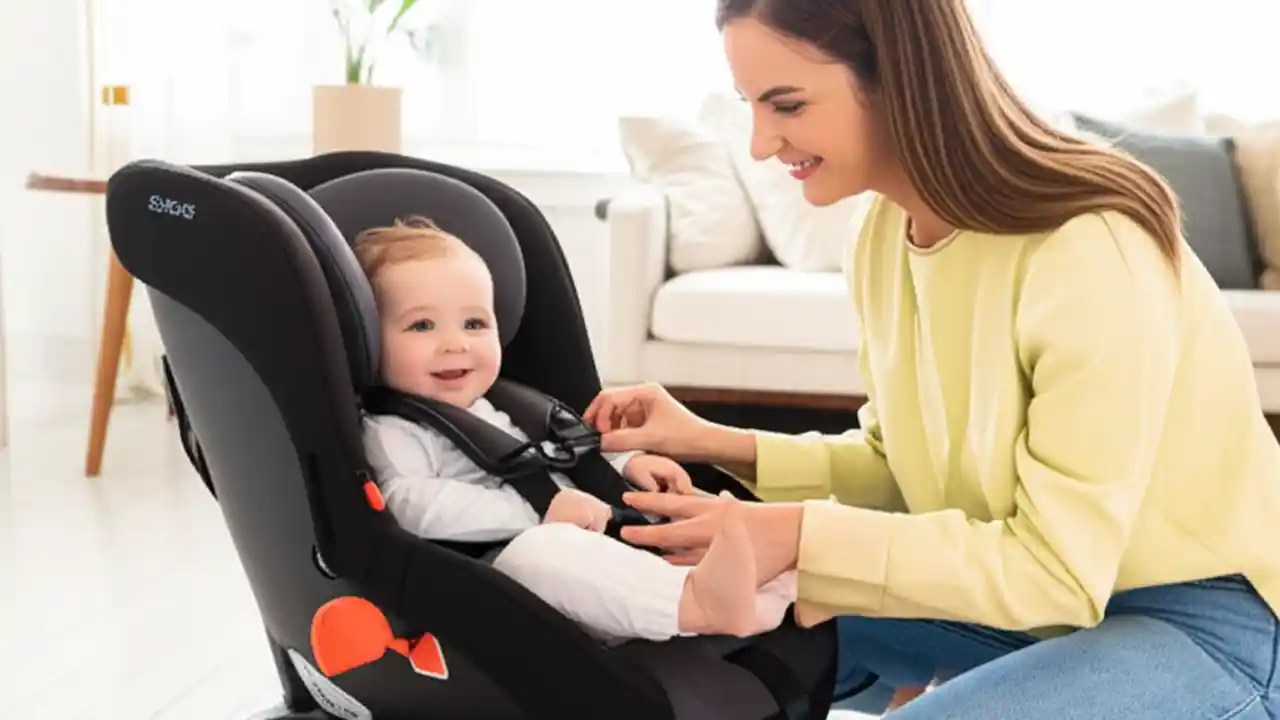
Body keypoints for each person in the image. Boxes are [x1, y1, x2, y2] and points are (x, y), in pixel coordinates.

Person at [585, 1, 1280, 716]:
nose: (761, 143)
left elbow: (1056, 569)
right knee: (706, 645)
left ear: (901, 77)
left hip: (1205, 619)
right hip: (1036, 604)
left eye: (786, 104)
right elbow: (905, 471)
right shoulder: (883, 232)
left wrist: (798, 536)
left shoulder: (1089, 245)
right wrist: (714, 443)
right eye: (750, 107)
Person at [354, 215, 798, 645]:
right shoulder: (395, 429)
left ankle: (751, 583)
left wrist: (627, 463)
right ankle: (700, 604)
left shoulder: (506, 406)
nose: (456, 343)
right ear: (371, 340)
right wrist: (534, 512)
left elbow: (566, 453)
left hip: (595, 545)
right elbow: (407, 504)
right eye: (421, 325)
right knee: (543, 554)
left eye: (474, 323)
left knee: (676, 514)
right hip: (499, 582)